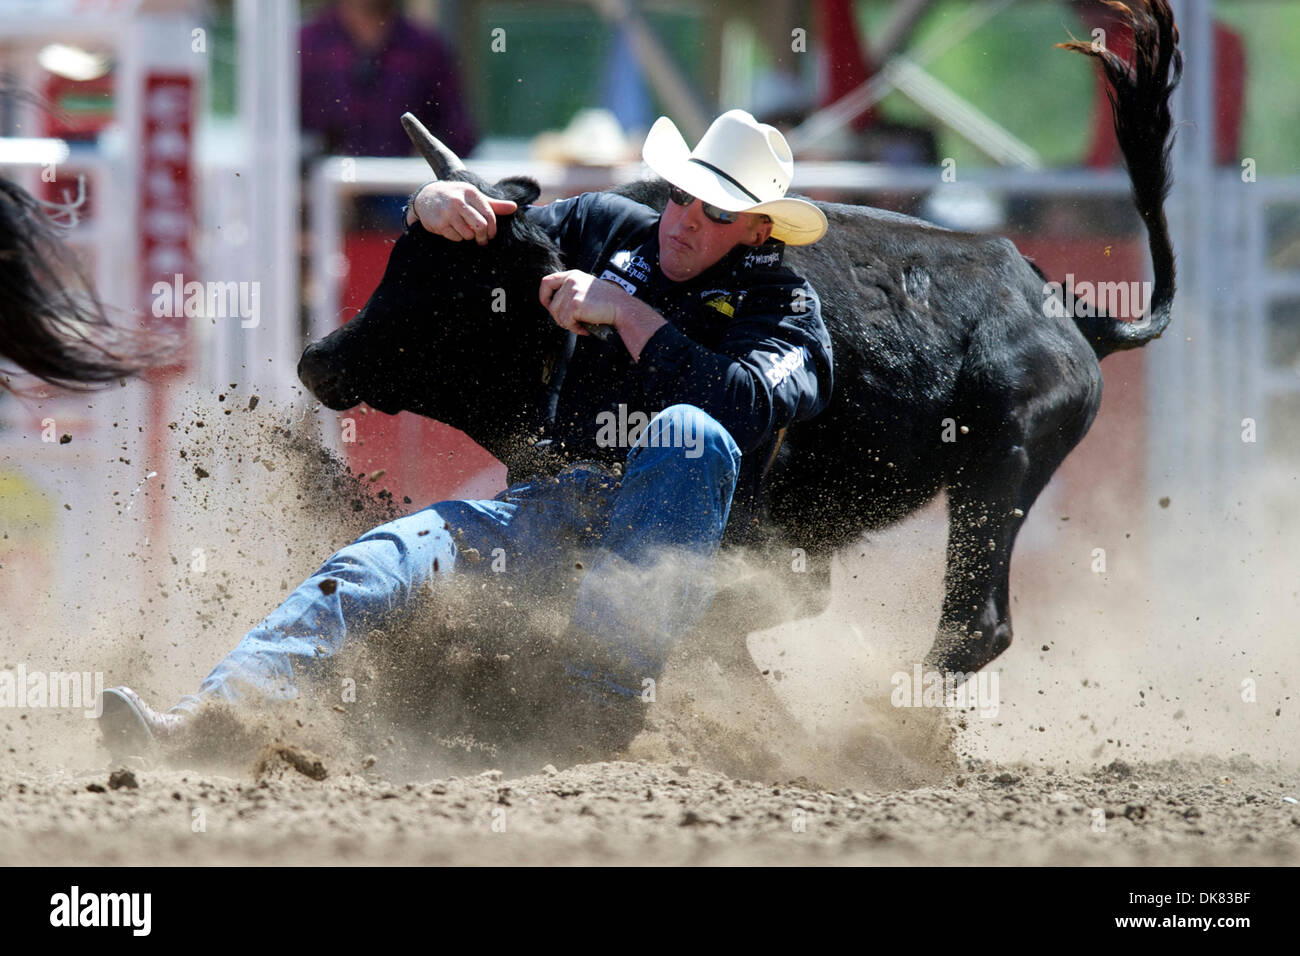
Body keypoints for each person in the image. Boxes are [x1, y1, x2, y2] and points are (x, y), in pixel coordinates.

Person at [98, 109, 834, 756]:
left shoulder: (786, 306)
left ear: (758, 230)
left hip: (675, 542)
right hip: (551, 504)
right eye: (679, 195)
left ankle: (596, 709)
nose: (682, 218)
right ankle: (209, 719)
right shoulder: (608, 228)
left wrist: (627, 313)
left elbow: (742, 408)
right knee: (379, 560)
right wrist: (433, 206)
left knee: (689, 432)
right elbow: (500, 233)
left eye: (712, 210)